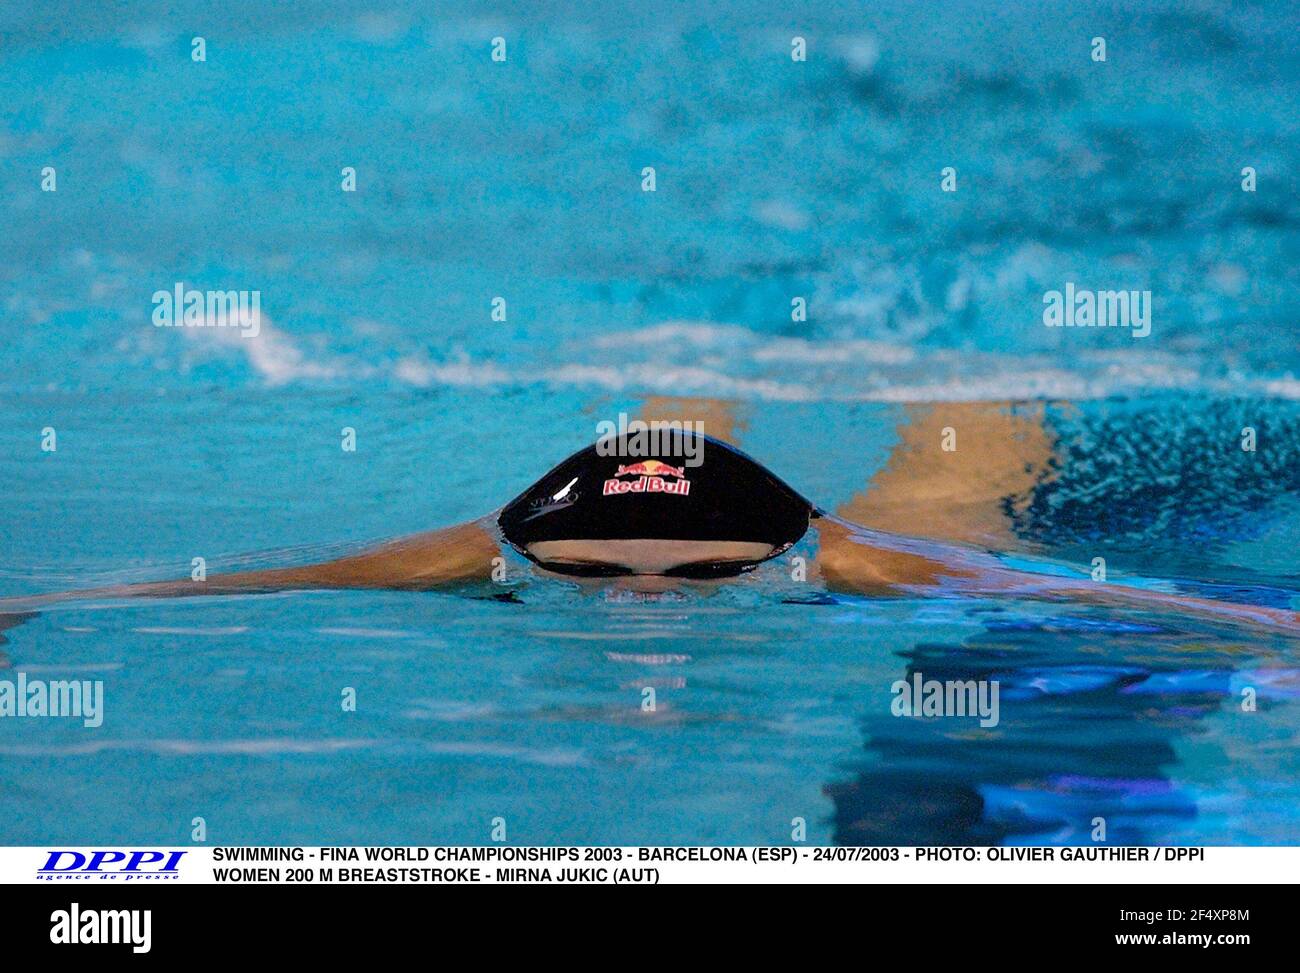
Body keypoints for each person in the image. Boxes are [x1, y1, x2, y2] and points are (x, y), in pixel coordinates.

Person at [1, 400, 1296, 634]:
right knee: (674, 411)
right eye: (603, 566)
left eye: (702, 572)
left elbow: (1087, 599)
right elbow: (272, 579)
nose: (641, 596)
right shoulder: (487, 545)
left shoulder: (857, 557)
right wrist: (40, 603)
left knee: (964, 463)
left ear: (782, 552)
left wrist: (1261, 633)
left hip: (902, 516)